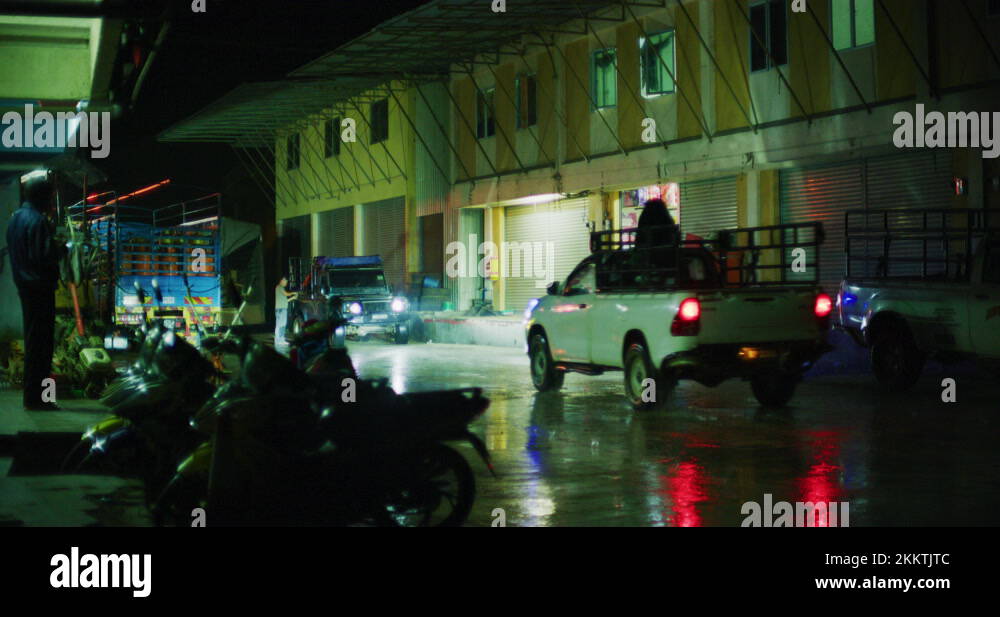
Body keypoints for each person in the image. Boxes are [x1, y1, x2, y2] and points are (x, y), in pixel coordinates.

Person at [6, 170, 63, 410]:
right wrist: (62, 249)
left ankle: (33, 398)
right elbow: (43, 256)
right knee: (42, 346)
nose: (51, 202)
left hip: (24, 287)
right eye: (50, 197)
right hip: (40, 289)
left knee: (33, 342)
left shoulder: (15, 218)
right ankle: (40, 400)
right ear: (42, 197)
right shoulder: (38, 221)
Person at [274, 276, 297, 347]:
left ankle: (278, 340)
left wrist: (292, 298)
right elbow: (286, 294)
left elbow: (285, 300)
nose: (286, 283)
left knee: (279, 325)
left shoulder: (280, 289)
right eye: (285, 281)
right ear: (282, 281)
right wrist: (294, 293)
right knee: (282, 325)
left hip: (281, 309)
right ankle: (280, 340)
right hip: (281, 310)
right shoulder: (279, 287)